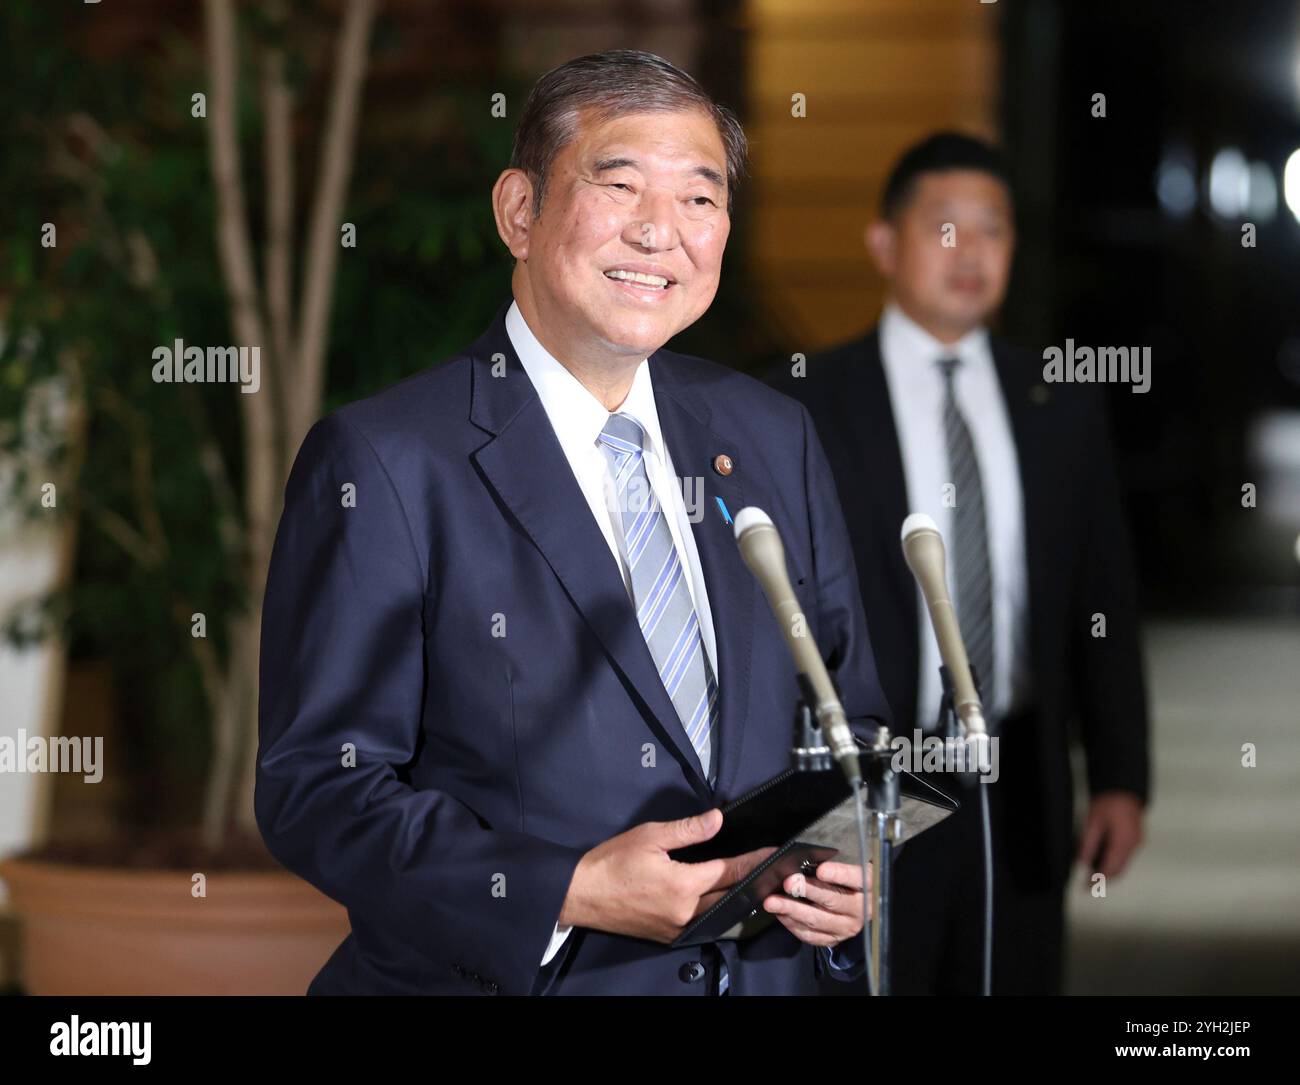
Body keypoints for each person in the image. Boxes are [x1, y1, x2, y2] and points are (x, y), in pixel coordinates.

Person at [255, 50, 893, 995]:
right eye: (621, 184)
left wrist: (846, 869)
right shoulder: (386, 462)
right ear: (520, 211)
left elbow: (850, 720)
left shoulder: (770, 435)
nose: (659, 232)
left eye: (700, 200)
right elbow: (319, 787)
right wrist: (564, 889)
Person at [773, 132, 1150, 994]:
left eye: (993, 229)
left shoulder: (1058, 400)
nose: (970, 253)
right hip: (871, 779)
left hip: (1017, 778)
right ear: (884, 244)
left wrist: (1122, 776)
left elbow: (1103, 602)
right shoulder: (804, 404)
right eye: (944, 228)